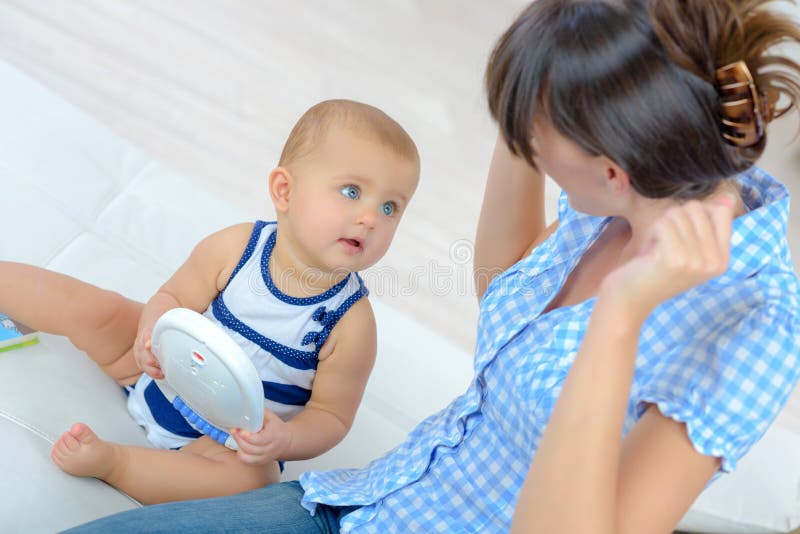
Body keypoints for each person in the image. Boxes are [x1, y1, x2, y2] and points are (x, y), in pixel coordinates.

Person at [67, 0, 800, 532]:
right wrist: (542, 82)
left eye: (537, 143)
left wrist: (619, 317)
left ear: (614, 169)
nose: (526, 153)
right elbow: (509, 297)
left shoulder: (752, 325)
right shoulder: (632, 194)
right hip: (375, 502)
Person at [0, 98, 420, 505]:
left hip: (220, 441)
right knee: (101, 311)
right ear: (284, 191)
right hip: (158, 371)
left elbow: (332, 416)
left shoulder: (349, 323)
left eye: (390, 207)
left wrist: (285, 439)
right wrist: (151, 332)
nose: (371, 218)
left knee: (252, 483)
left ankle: (116, 463)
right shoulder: (238, 246)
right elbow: (173, 297)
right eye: (351, 191)